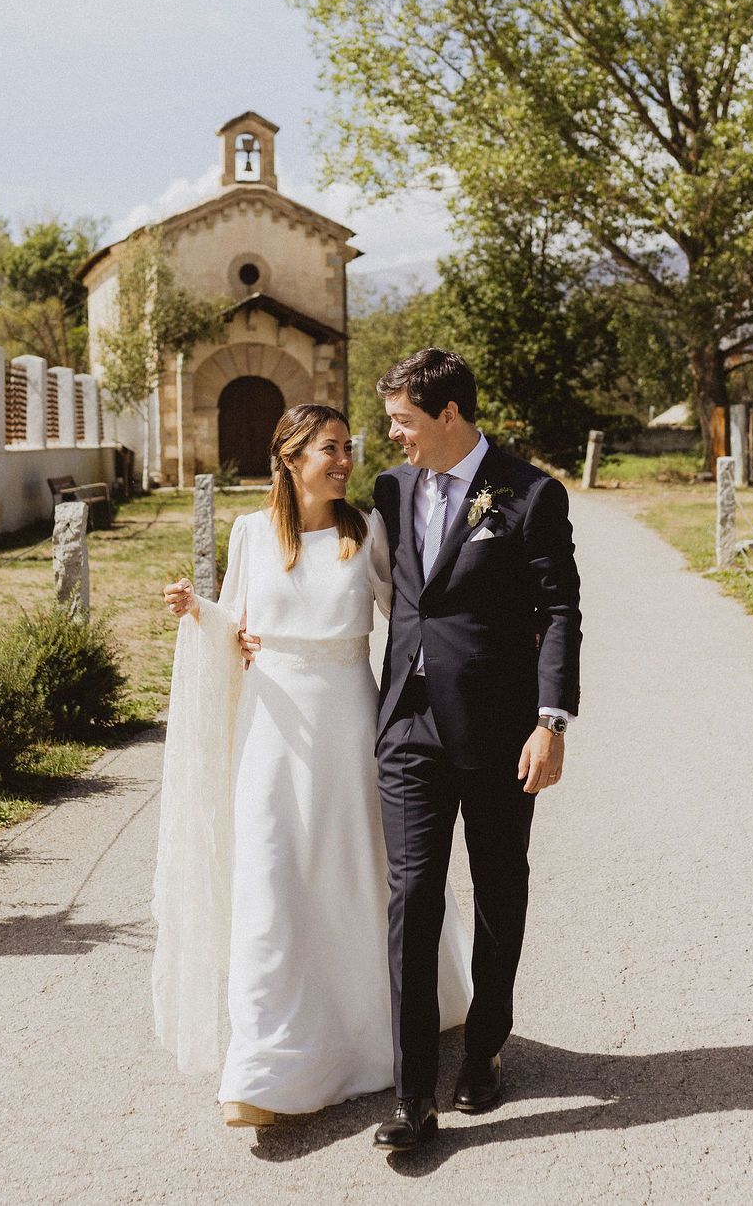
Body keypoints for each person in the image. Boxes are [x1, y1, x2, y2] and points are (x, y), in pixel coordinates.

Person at [151, 402, 474, 1129]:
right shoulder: (250, 532)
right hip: (271, 726)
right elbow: (237, 622)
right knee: (272, 877)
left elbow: (412, 615)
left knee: (355, 874)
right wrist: (197, 611)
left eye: (348, 447)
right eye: (330, 448)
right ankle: (265, 1069)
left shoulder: (368, 532)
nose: (345, 461)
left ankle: (370, 1034)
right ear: (290, 457)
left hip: (349, 721)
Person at [366, 347, 581, 1152]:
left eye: (403, 420)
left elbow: (560, 610)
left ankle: (486, 1044)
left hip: (500, 729)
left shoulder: (530, 493)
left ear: (448, 413)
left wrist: (551, 721)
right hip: (408, 725)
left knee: (498, 889)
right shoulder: (391, 489)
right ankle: (411, 1094)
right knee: (412, 896)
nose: (394, 434)